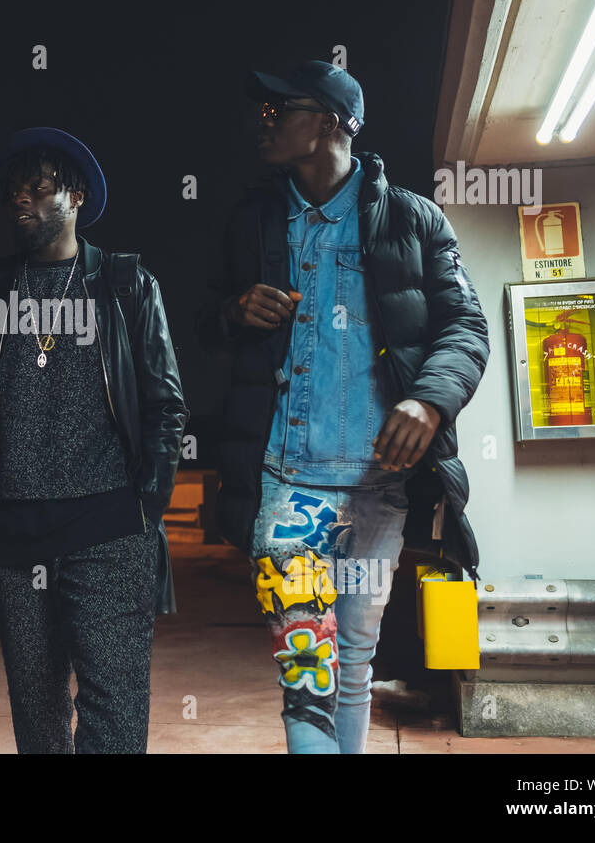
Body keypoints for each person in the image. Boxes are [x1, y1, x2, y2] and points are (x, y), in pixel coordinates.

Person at [198, 62, 489, 753]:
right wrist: (234, 312)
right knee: (308, 668)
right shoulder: (253, 221)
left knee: (354, 662)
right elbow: (203, 321)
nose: (263, 122)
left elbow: (466, 327)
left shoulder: (413, 219)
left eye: (281, 109)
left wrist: (429, 402)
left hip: (379, 486)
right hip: (288, 480)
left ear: (329, 121)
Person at [0, 127, 188, 753]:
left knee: (115, 706)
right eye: (14, 193)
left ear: (74, 197)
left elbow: (165, 405)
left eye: (37, 190)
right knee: (37, 711)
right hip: (15, 532)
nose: (22, 202)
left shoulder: (126, 286)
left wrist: (144, 508)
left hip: (108, 526)